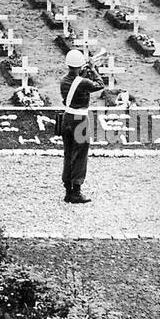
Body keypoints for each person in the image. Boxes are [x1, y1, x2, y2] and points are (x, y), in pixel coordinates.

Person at [59, 49, 103, 204]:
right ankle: (76, 191)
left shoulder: (64, 80)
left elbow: (70, 94)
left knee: (68, 153)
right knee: (81, 154)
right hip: (80, 119)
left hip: (67, 118)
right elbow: (100, 84)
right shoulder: (83, 82)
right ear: (80, 66)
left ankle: (67, 190)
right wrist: (92, 68)